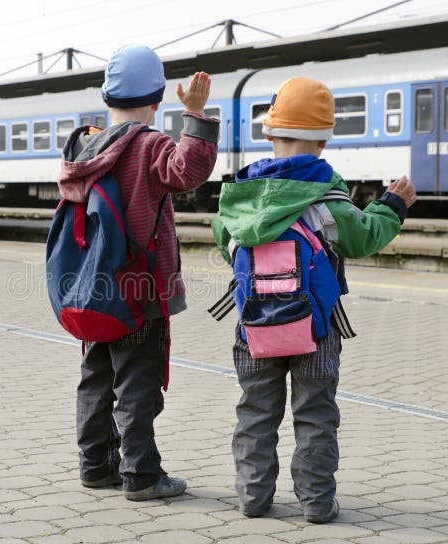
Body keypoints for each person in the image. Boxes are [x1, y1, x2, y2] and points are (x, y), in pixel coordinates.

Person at [212, 76, 416, 522]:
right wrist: (392, 206)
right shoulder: (326, 194)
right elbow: (364, 237)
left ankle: (252, 497)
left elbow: (222, 239)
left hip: (254, 326)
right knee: (316, 414)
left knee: (255, 412)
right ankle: (318, 502)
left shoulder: (241, 194)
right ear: (324, 138)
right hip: (316, 328)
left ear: (267, 132)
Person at [57, 44, 220, 501]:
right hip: (139, 290)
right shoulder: (149, 144)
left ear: (106, 95)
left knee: (95, 378)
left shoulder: (83, 145)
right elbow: (189, 172)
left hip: (92, 288)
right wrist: (197, 115)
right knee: (137, 385)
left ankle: (95, 466)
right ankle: (142, 475)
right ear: (157, 97)